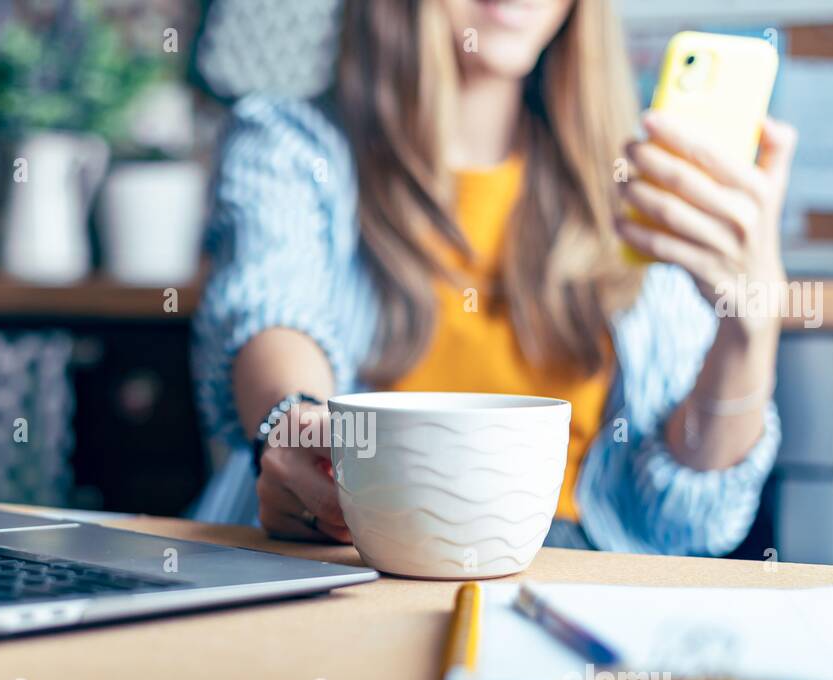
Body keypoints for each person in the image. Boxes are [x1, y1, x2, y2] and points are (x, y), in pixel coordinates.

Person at [191, 0, 797, 555]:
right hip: (350, 566)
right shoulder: (290, 147)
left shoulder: (640, 181)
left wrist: (748, 328)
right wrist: (293, 422)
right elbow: (270, 307)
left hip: (580, 581)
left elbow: (687, 524)